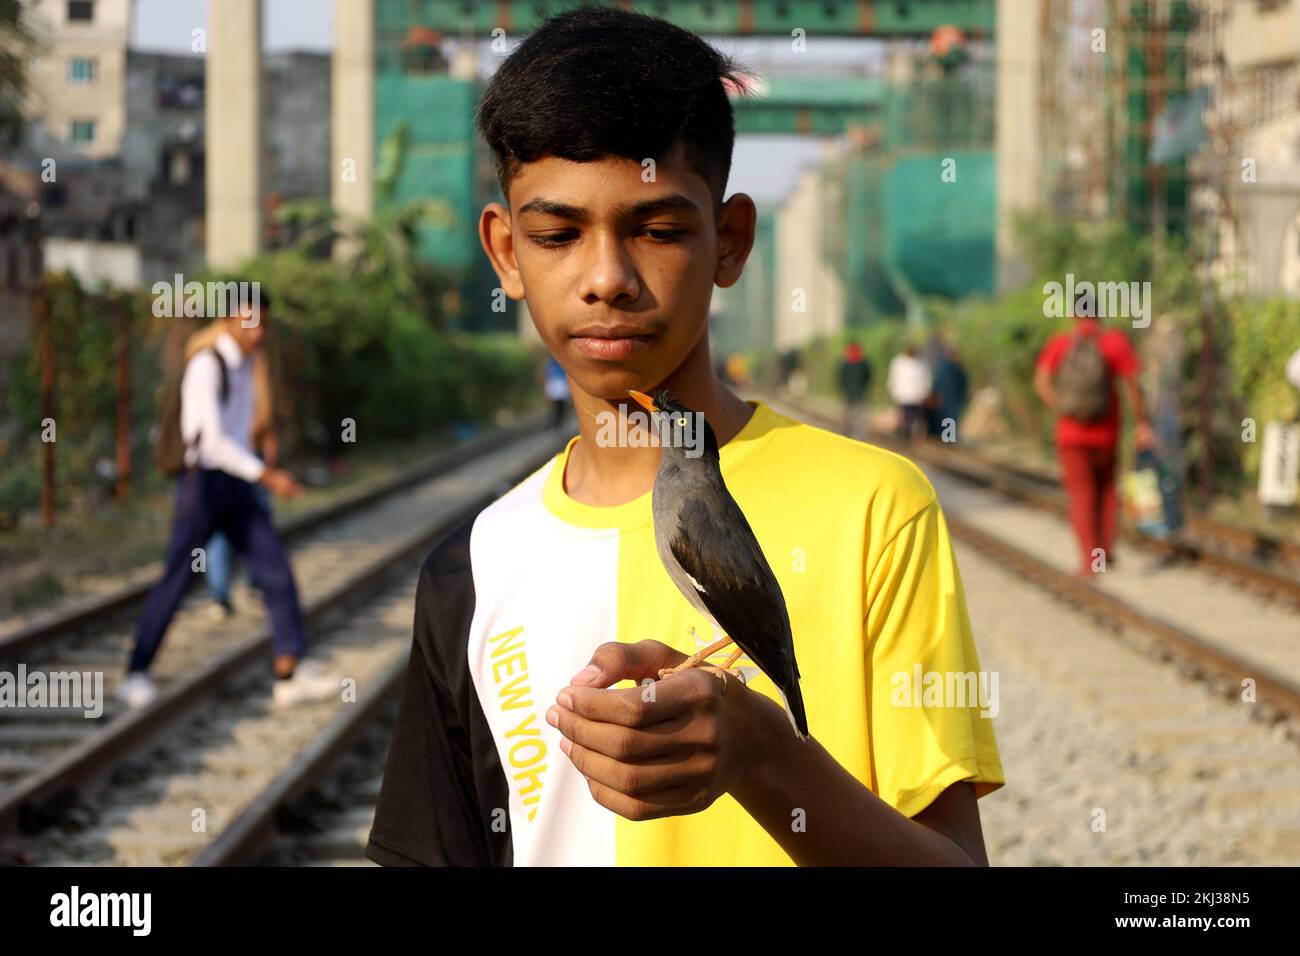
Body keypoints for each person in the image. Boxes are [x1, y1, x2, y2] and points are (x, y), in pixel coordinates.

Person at [365, 6, 1002, 868]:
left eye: (658, 230)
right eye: (557, 235)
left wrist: (765, 757)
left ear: (729, 241)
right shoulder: (472, 568)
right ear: (505, 253)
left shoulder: (877, 511)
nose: (606, 280)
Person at [120, 293, 340, 710]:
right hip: (203, 484)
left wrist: (259, 464)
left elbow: (241, 433)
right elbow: (213, 442)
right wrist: (266, 475)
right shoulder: (206, 365)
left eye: (262, 324)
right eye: (247, 322)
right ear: (228, 319)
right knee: (178, 577)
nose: (256, 332)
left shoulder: (248, 363)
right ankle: (136, 672)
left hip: (237, 484)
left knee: (275, 570)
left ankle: (289, 673)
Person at [1033, 290, 1154, 577]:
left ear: (1074, 315)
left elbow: (1040, 382)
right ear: (1098, 314)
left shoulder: (1060, 343)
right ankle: (1105, 552)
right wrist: (1142, 423)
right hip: (1106, 434)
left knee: (1081, 494)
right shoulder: (1113, 342)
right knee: (1107, 490)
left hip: (1070, 435)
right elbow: (1132, 385)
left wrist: (1063, 407)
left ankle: (1090, 562)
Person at [181, 320, 279, 620]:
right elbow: (213, 429)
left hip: (250, 451)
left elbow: (262, 402)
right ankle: (221, 594)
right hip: (228, 459)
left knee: (253, 523)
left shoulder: (252, 354)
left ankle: (248, 585)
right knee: (224, 531)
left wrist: (267, 439)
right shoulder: (210, 356)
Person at [887, 344, 932, 439]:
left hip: (916, 397)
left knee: (915, 418)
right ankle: (904, 434)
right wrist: (893, 392)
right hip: (902, 396)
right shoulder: (898, 362)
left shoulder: (922, 363)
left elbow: (926, 380)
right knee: (904, 417)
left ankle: (911, 435)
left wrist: (925, 394)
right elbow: (894, 379)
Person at [930, 344, 969, 439]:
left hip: (952, 397)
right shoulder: (948, 367)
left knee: (949, 417)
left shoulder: (949, 367)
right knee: (947, 417)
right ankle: (947, 437)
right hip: (947, 397)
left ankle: (947, 437)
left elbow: (963, 382)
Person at [837, 341, 871, 439]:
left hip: (848, 393)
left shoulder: (845, 364)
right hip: (860, 393)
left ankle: (845, 435)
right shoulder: (864, 363)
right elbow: (868, 377)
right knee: (860, 418)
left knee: (847, 417)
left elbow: (840, 378)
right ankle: (860, 438)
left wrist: (843, 389)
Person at [543, 353, 570, 429]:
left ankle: (557, 421)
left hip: (557, 386)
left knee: (557, 406)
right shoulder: (560, 363)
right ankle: (558, 421)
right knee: (560, 406)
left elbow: (547, 375)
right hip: (559, 386)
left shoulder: (551, 364)